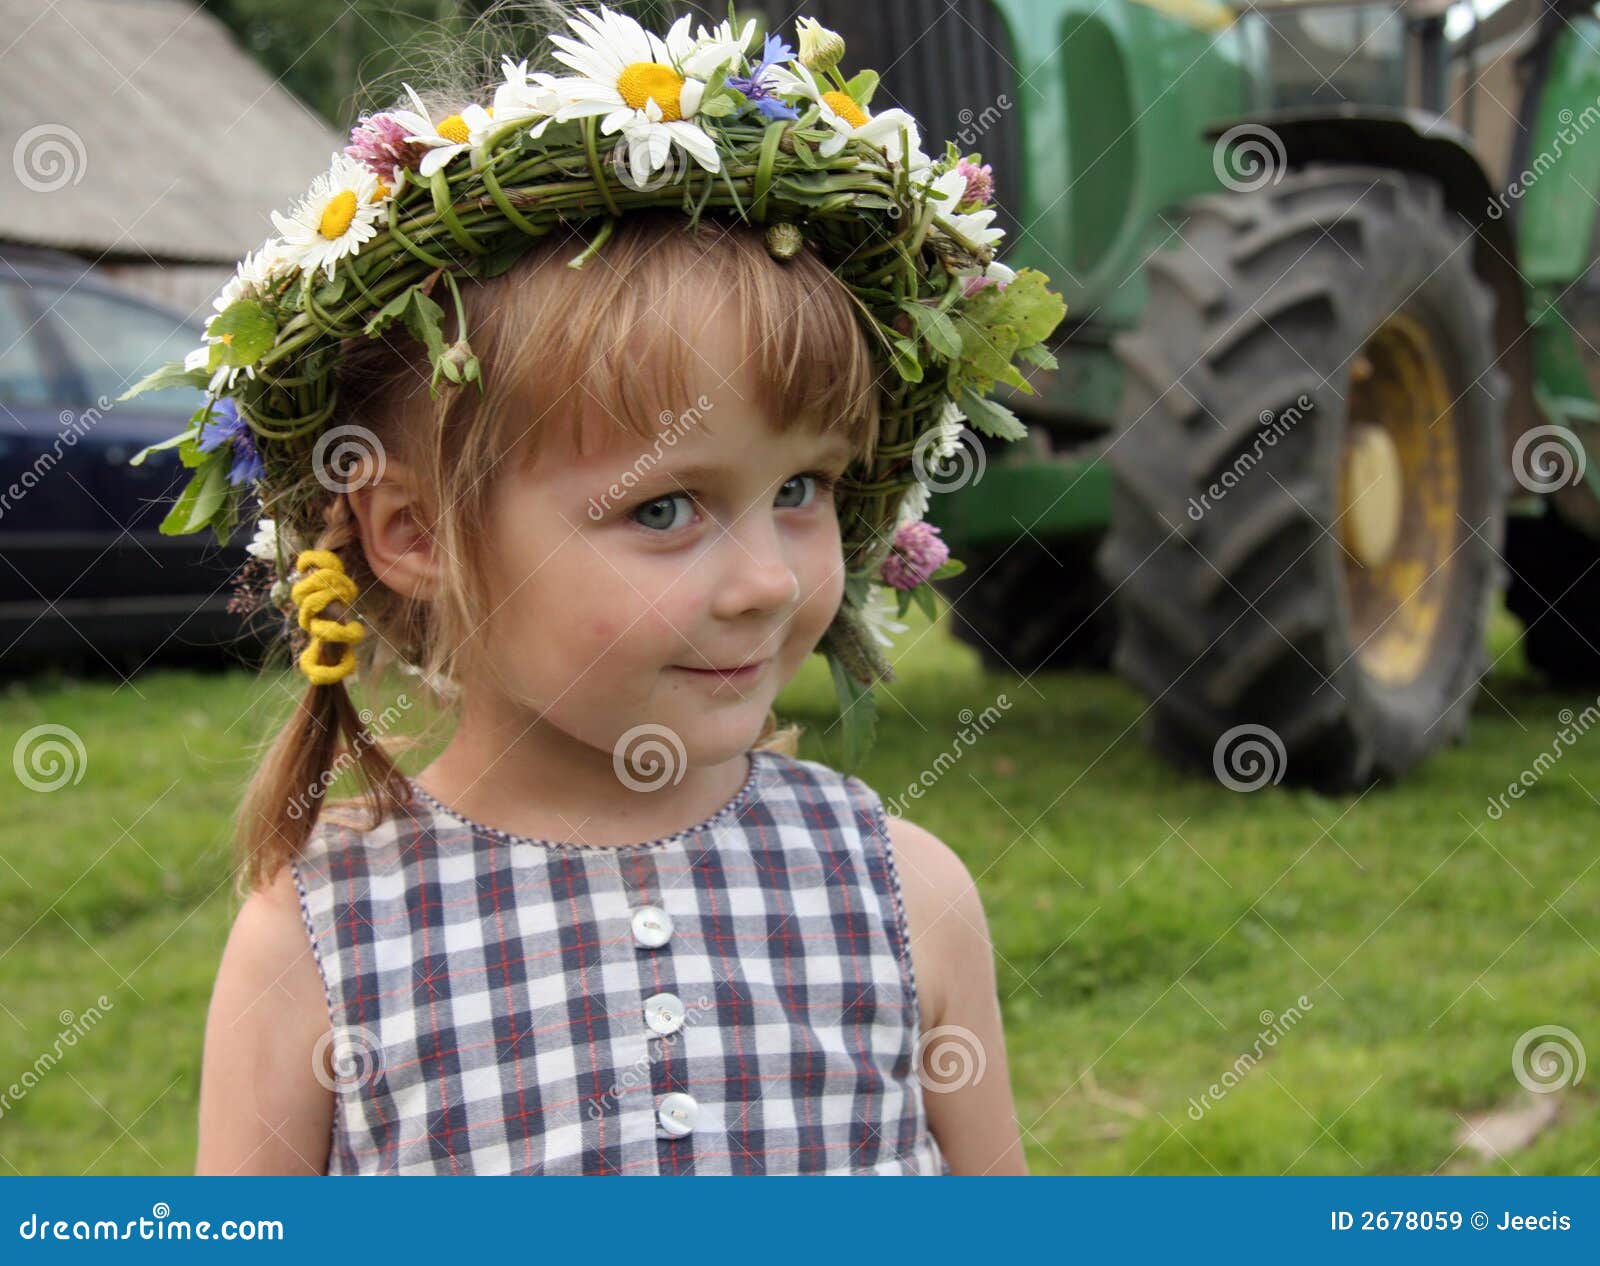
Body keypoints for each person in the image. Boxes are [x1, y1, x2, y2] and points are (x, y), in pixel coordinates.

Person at [137, 6, 1060, 1176]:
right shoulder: (320, 943)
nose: (768, 582)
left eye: (803, 487)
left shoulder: (901, 894)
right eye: (662, 509)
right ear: (413, 531)